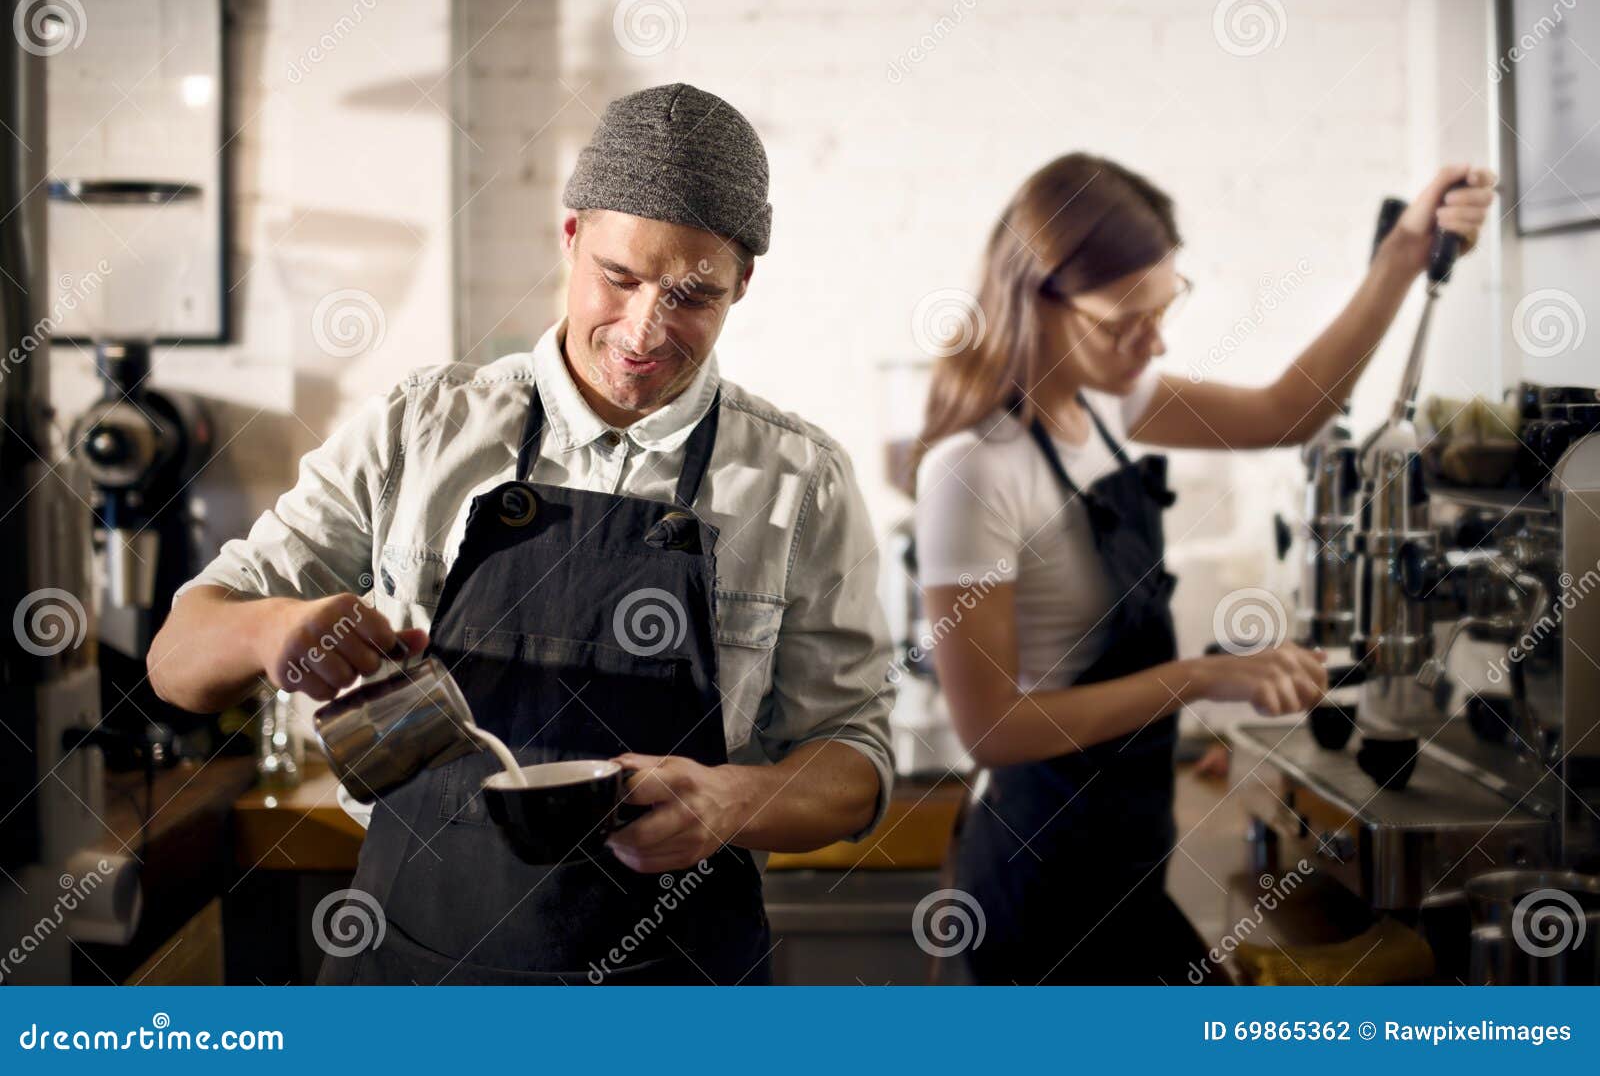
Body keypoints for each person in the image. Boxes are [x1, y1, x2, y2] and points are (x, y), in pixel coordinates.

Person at [149, 84, 896, 985]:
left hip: (675, 987)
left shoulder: (798, 480)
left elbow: (854, 757)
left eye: (693, 295)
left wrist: (737, 801)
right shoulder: (419, 430)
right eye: (619, 278)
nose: (643, 332)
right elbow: (178, 661)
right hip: (416, 979)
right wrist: (272, 631)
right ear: (571, 236)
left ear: (744, 283)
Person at [912, 153, 1494, 984]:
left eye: (1165, 307)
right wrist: (1200, 679)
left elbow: (1286, 411)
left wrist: (1401, 256)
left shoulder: (1108, 403)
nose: (1153, 343)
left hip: (1129, 848)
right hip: (1041, 874)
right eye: (1124, 321)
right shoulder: (976, 471)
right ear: (1034, 299)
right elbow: (992, 728)